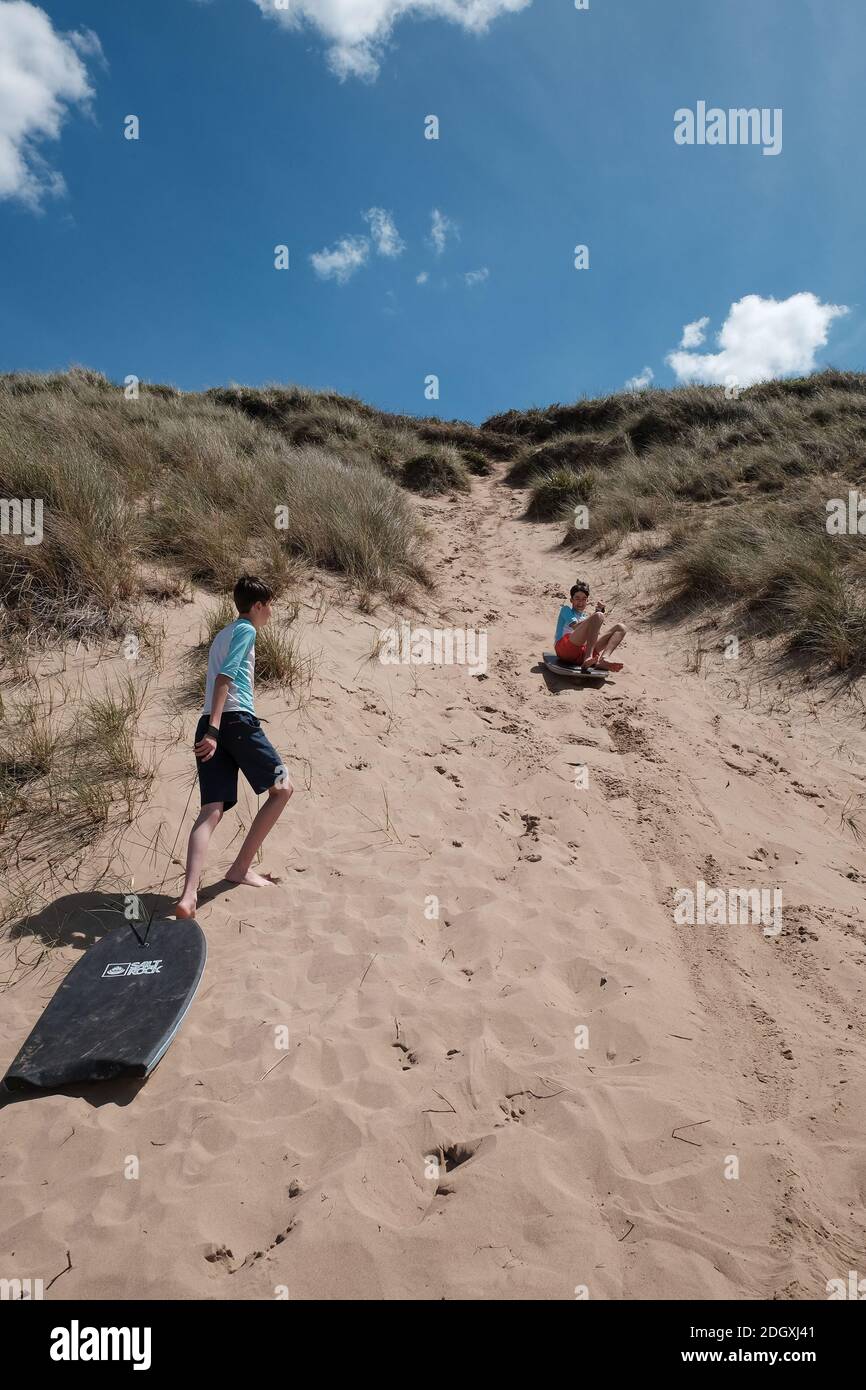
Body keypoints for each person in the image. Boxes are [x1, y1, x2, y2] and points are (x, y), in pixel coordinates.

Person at [173, 575, 293, 919]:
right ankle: (240, 868)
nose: (270, 613)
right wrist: (215, 729)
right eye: (269, 606)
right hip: (234, 721)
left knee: (211, 810)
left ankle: (188, 896)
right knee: (283, 788)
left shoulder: (222, 634)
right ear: (257, 606)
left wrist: (209, 727)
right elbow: (225, 678)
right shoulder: (246, 630)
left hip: (209, 721)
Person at [554, 580, 626, 671]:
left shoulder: (585, 617)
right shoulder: (566, 610)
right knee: (598, 616)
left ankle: (604, 659)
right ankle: (588, 657)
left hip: (581, 653)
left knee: (621, 628)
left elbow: (592, 637)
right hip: (564, 650)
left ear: (587, 601)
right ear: (571, 600)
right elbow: (576, 626)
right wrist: (596, 615)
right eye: (577, 598)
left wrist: (596, 615)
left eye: (584, 599)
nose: (580, 602)